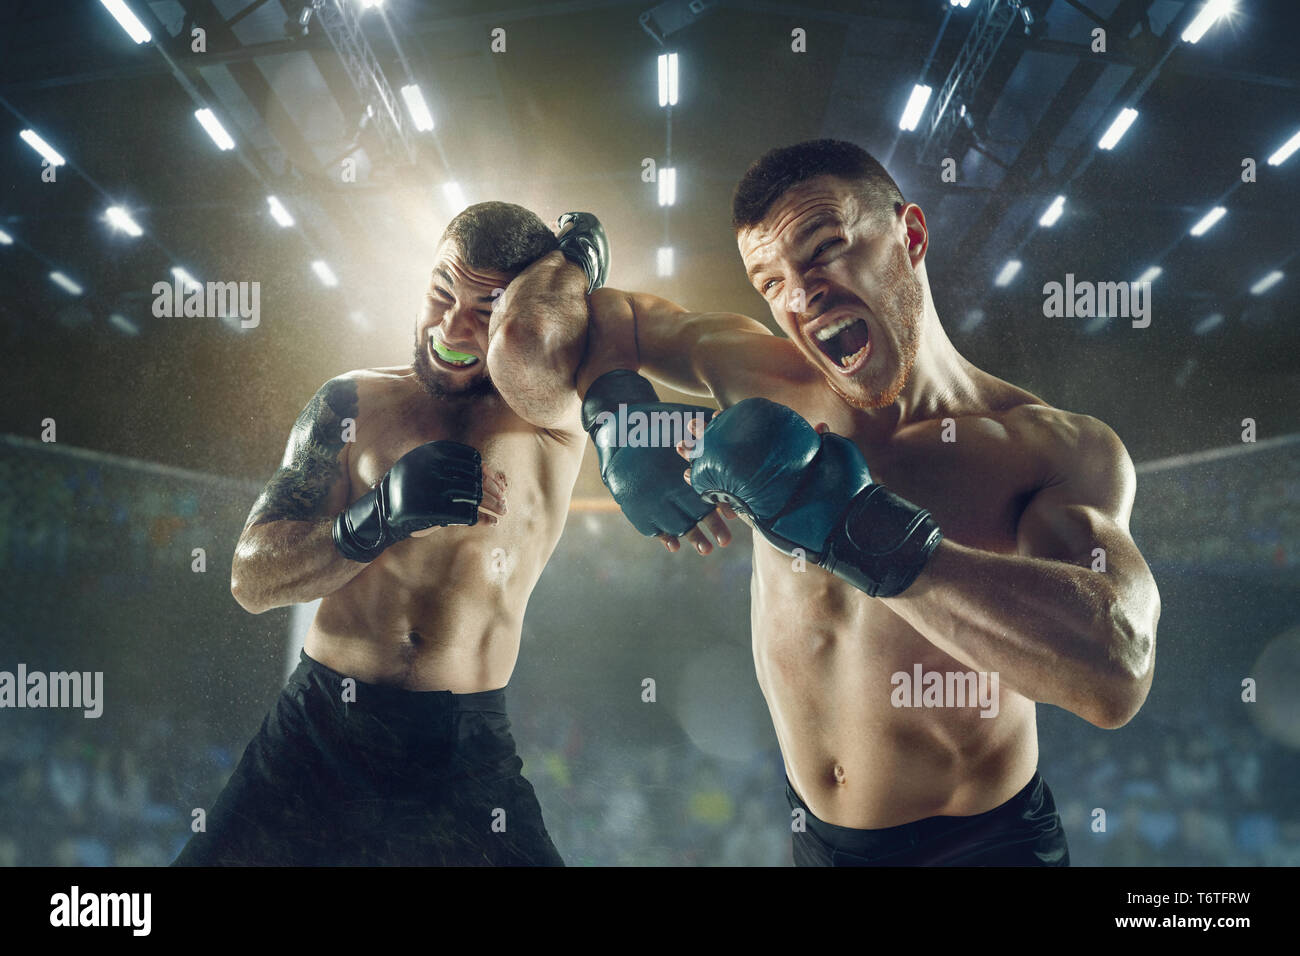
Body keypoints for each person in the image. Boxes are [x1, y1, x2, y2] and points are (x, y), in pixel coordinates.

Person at [491, 139, 1162, 866]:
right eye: (769, 281)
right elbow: (533, 336)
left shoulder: (1048, 449)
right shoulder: (757, 375)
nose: (802, 297)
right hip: (815, 840)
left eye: (825, 250)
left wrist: (867, 536)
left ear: (909, 236)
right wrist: (615, 411)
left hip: (983, 847)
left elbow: (1117, 668)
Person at [173, 203, 609, 866]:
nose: (453, 326)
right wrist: (374, 520)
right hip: (319, 726)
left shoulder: (551, 415)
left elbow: (556, 323)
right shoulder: (351, 402)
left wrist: (573, 258)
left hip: (462, 750)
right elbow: (250, 580)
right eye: (441, 293)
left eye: (485, 310)